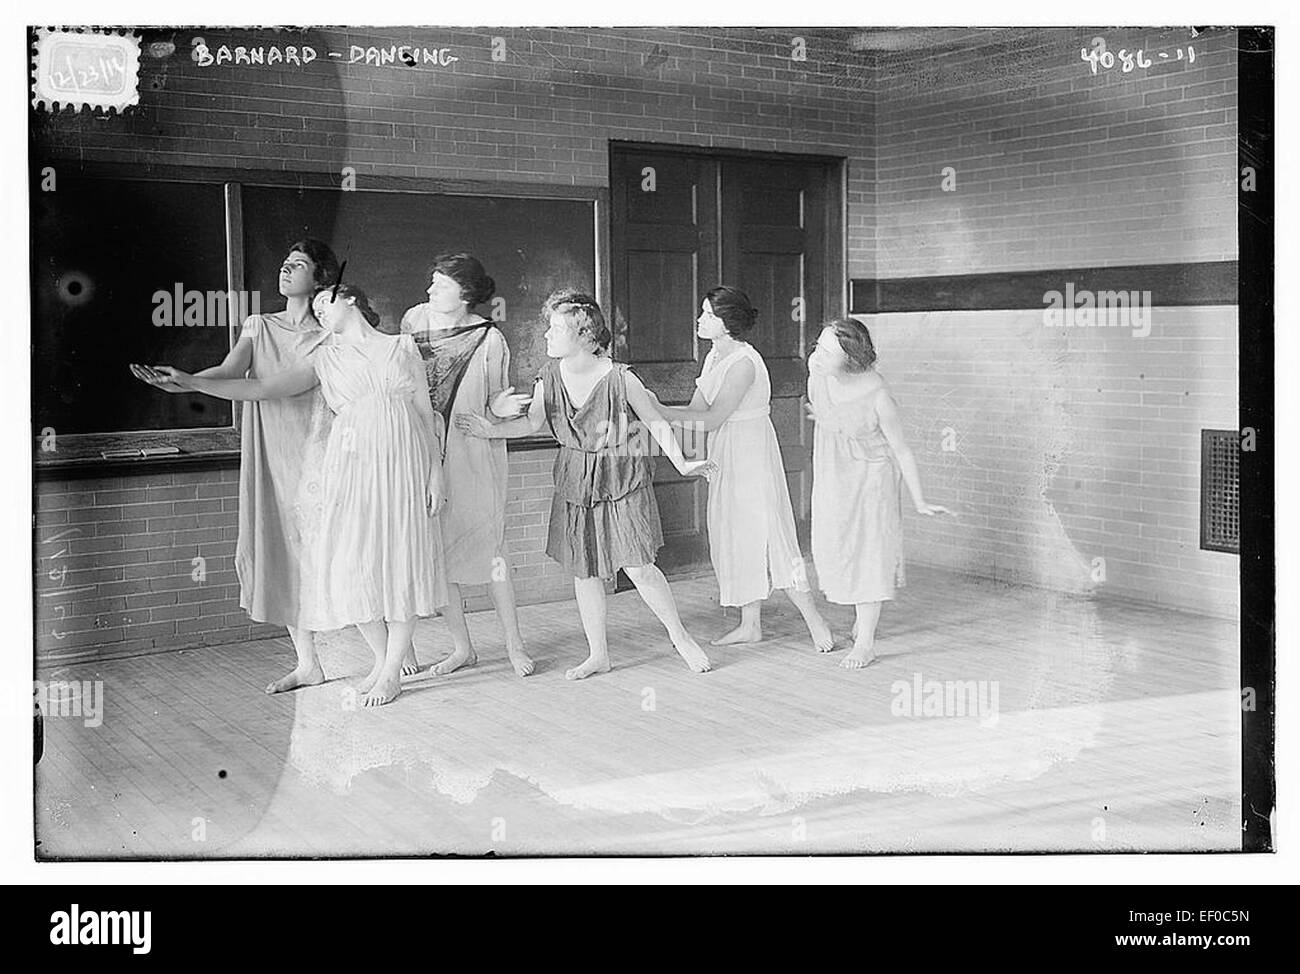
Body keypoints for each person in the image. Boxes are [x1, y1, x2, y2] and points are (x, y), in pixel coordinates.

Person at [136, 284, 453, 707]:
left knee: (402, 557)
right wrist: (191, 382)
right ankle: (381, 661)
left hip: (402, 463)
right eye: (315, 307)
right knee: (349, 563)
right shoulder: (324, 358)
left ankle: (391, 671)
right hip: (354, 467)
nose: (320, 312)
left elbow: (422, 413)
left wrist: (436, 473)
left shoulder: (401, 346)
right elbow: (263, 388)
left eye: (326, 303)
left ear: (352, 299)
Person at [456, 291, 716, 679]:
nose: (546, 334)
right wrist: (491, 429)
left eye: (555, 328)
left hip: (620, 475)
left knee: (640, 566)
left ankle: (680, 638)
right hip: (576, 476)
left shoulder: (620, 378)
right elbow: (532, 424)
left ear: (585, 335)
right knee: (585, 569)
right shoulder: (548, 378)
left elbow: (656, 423)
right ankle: (599, 654)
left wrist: (682, 462)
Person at [131, 239, 340, 694]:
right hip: (271, 455)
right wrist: (181, 385)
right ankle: (309, 664)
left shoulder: (330, 337)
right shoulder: (258, 324)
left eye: (298, 265)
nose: (285, 270)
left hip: (318, 455)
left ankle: (392, 656)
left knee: (337, 553)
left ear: (320, 279)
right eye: (284, 263)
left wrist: (189, 383)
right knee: (282, 552)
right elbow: (231, 369)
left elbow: (266, 388)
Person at [648, 287, 834, 653]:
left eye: (707, 314)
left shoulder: (745, 362)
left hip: (750, 455)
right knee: (734, 536)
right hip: (726, 452)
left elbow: (712, 418)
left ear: (726, 322)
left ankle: (816, 621)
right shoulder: (715, 356)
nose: (700, 320)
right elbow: (696, 409)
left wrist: (659, 409)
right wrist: (660, 413)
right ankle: (750, 625)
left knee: (770, 535)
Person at [400, 254, 534, 678]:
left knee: (491, 550)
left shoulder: (489, 339)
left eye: (440, 285)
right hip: (426, 452)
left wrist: (503, 406)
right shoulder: (413, 321)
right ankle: (463, 648)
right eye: (432, 282)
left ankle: (515, 645)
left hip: (473, 452)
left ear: (466, 294)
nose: (429, 291)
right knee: (438, 555)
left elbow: (493, 399)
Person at [806, 318, 951, 668]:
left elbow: (901, 450)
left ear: (851, 358)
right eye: (819, 346)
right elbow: (823, 393)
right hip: (834, 478)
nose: (817, 355)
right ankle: (862, 615)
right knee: (837, 548)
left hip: (871, 481)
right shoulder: (819, 370)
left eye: (827, 351)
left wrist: (919, 500)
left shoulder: (879, 397)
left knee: (867, 555)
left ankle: (866, 643)